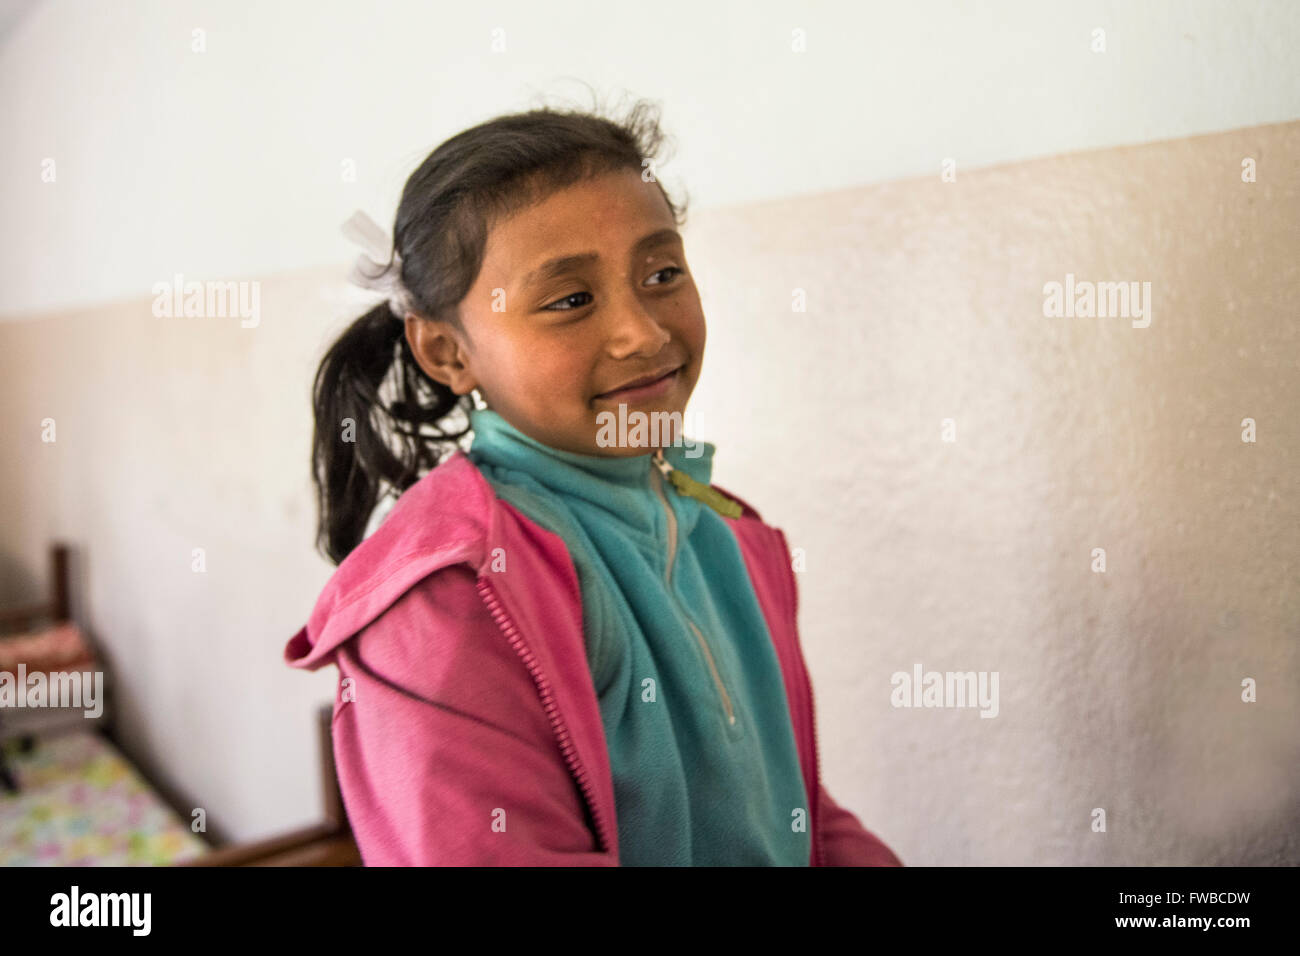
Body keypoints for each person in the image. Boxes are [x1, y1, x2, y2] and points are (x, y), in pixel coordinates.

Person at [284, 97, 902, 866]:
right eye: (570, 300)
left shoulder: (725, 534)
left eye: (662, 272)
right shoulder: (450, 598)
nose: (643, 332)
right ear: (447, 353)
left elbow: (795, 814)